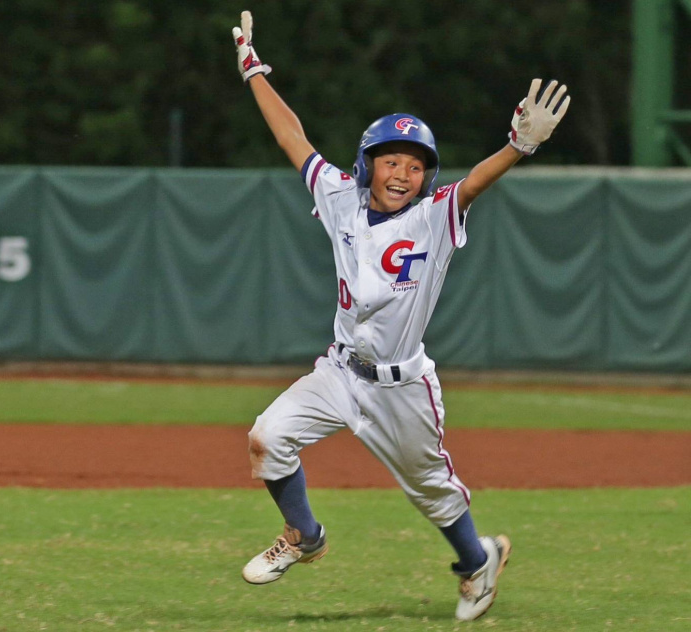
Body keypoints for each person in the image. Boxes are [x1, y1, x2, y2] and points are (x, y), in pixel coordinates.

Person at [230, 11, 570, 620]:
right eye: (391, 161)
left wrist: (519, 146)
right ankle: (304, 534)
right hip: (340, 371)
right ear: (368, 164)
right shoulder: (340, 196)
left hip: (402, 384)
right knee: (267, 438)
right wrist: (255, 72)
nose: (403, 174)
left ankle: (478, 562)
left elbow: (474, 184)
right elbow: (291, 137)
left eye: (415, 166)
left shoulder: (433, 215)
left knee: (431, 492)